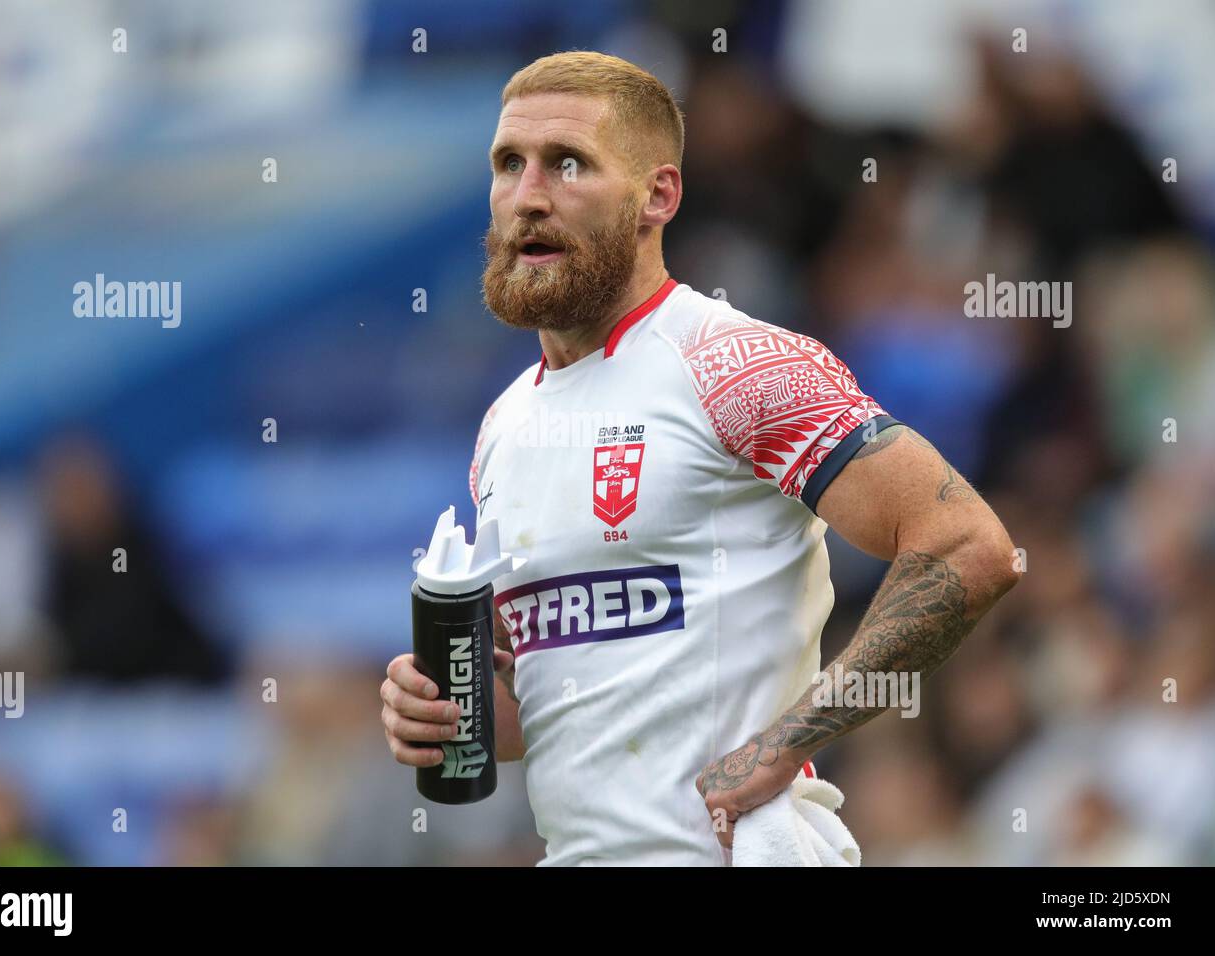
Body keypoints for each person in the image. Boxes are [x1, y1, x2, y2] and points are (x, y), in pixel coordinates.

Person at [382, 51, 1018, 865]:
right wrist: (441, 711)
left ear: (660, 194)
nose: (529, 196)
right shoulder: (506, 424)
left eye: (568, 164)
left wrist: (790, 739)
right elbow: (550, 705)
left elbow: (969, 544)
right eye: (510, 164)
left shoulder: (731, 363)